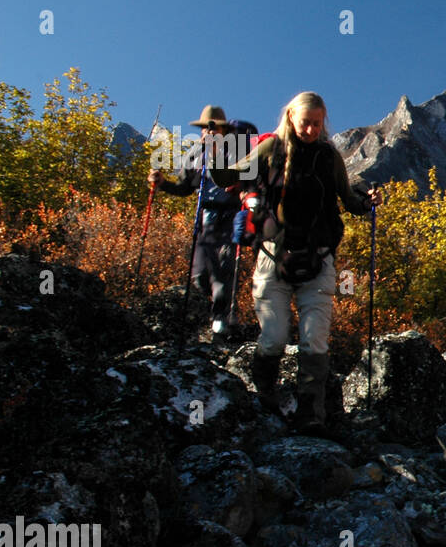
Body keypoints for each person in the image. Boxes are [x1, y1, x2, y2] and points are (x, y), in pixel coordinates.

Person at [222, 91, 382, 434]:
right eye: (305, 122)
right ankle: (264, 395)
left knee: (315, 340)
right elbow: (233, 177)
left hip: (319, 260)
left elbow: (348, 199)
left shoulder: (329, 156)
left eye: (317, 123)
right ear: (291, 118)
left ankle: (311, 414)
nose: (310, 130)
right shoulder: (270, 149)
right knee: (274, 338)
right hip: (272, 257)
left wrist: (368, 203)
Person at [148, 105, 244, 339]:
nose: (208, 132)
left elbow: (248, 182)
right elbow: (184, 188)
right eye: (205, 128)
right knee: (200, 274)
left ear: (225, 130)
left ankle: (220, 319)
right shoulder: (194, 155)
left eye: (214, 128)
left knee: (223, 267)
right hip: (205, 218)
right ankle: (205, 320)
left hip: (230, 216)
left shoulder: (238, 152)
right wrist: (162, 183)